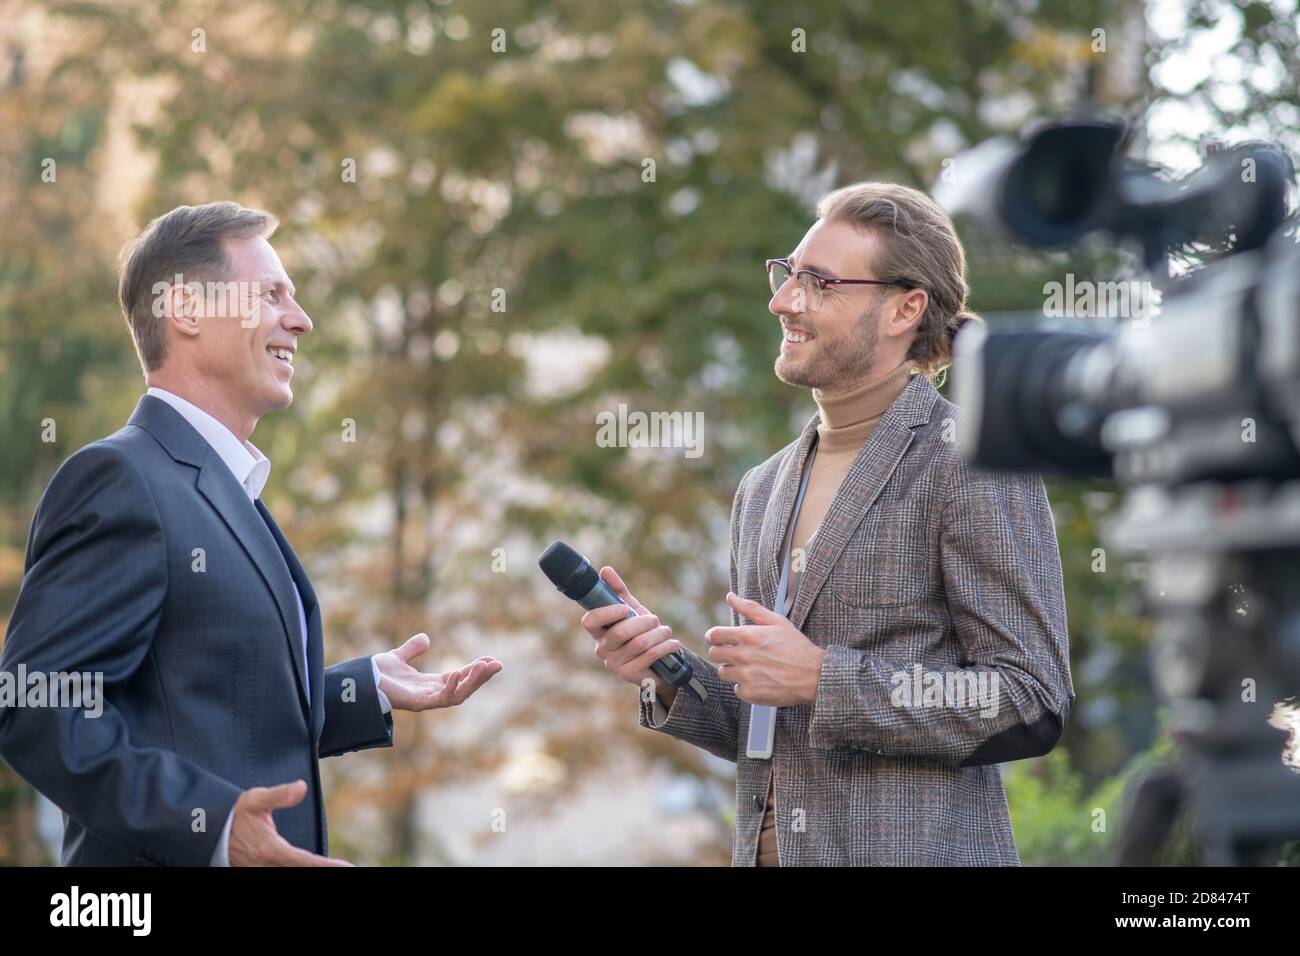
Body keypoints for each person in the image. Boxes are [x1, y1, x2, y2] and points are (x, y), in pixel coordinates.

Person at [581, 182, 1074, 865]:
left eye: (820, 283)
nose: (784, 301)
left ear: (906, 308)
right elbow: (769, 726)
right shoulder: (761, 489)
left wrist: (823, 678)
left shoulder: (970, 462)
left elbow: (1029, 700)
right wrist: (665, 673)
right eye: (788, 275)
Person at [0, 201, 502, 866]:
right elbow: (37, 703)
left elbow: (201, 707)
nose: (301, 319)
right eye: (271, 294)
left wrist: (362, 688)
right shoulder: (121, 478)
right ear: (185, 311)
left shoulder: (222, 488)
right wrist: (210, 824)